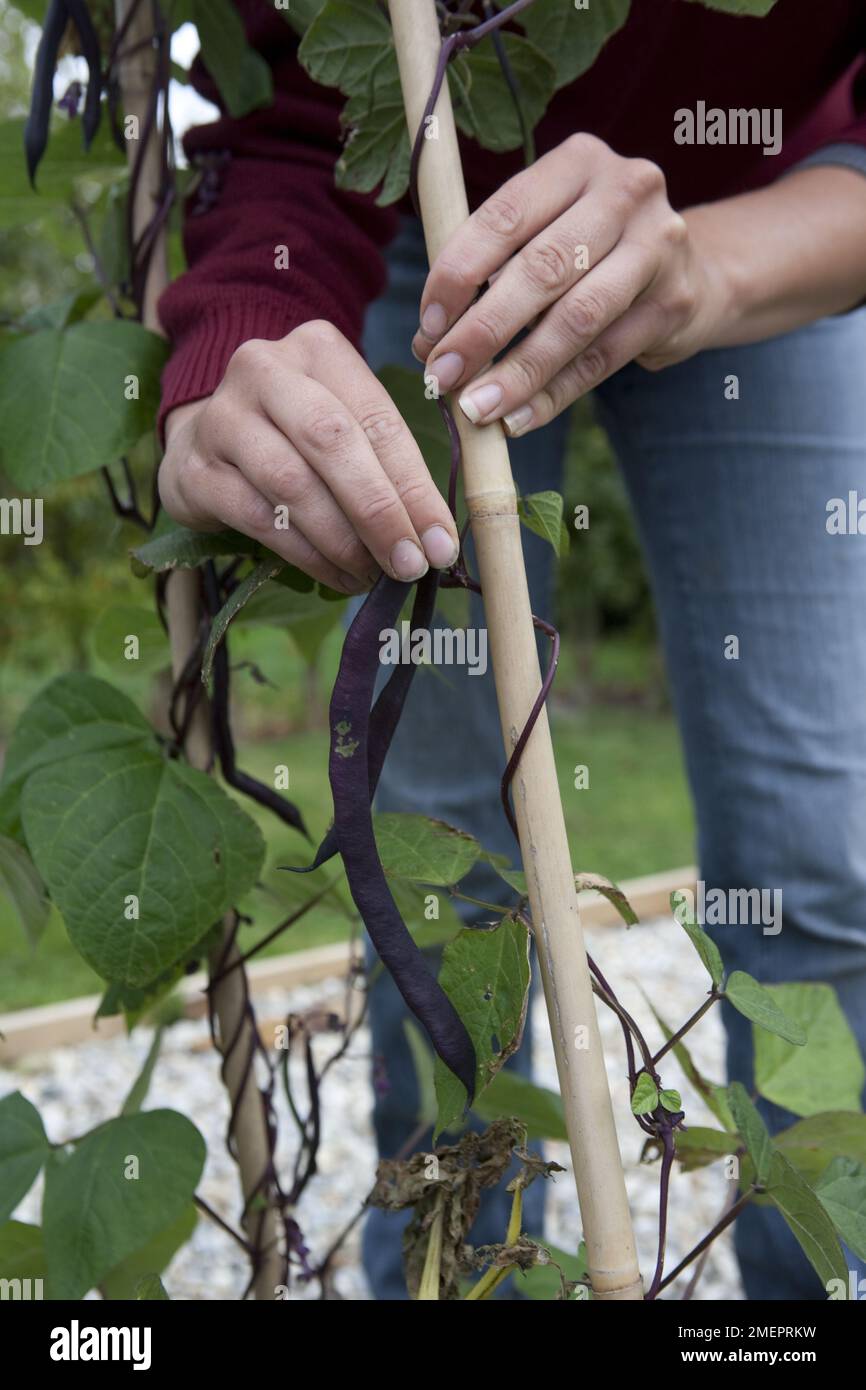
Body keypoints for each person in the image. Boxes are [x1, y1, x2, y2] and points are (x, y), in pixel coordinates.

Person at [157, 0, 866, 1300]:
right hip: (416, 252)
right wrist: (235, 336)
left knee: (813, 852)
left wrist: (706, 265)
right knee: (443, 868)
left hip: (780, 217)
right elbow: (287, 115)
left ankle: (812, 1293)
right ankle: (461, 1269)